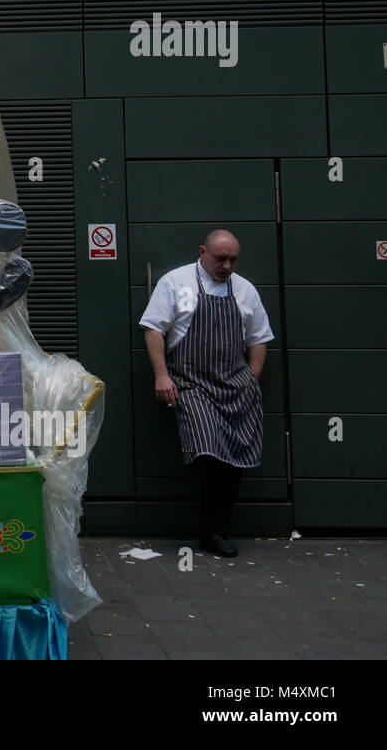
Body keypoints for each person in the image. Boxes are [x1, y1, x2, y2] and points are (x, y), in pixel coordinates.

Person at [139, 230, 273, 557]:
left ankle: (216, 531)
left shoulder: (245, 290)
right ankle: (209, 532)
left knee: (235, 459)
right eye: (220, 259)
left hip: (235, 384)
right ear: (203, 251)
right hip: (192, 384)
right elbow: (153, 328)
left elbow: (259, 338)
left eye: (233, 260)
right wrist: (162, 376)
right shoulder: (175, 282)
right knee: (209, 452)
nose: (227, 266)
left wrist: (251, 379)